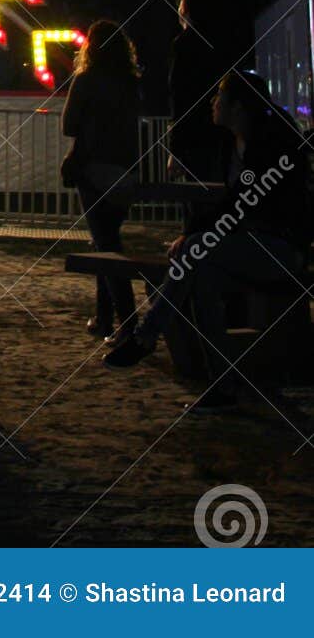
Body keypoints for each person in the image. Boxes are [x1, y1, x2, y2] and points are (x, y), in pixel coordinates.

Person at [103, 72, 309, 410]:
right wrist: (194, 234)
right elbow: (230, 200)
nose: (212, 103)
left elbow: (242, 203)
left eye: (219, 96)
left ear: (238, 107)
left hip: (280, 248)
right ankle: (220, 385)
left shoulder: (272, 144)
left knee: (194, 257)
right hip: (250, 246)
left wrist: (197, 237)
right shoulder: (234, 142)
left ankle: (146, 335)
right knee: (202, 279)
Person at [61, 21, 142, 343]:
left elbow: (70, 126)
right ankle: (105, 316)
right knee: (106, 239)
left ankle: (127, 319)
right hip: (126, 169)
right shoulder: (130, 83)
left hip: (94, 168)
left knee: (106, 246)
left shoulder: (85, 80)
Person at [167, 0, 229, 186]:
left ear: (187, 8)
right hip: (221, 131)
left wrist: (175, 149)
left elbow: (181, 96)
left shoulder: (185, 44)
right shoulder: (219, 41)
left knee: (196, 196)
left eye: (182, 1)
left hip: (194, 137)